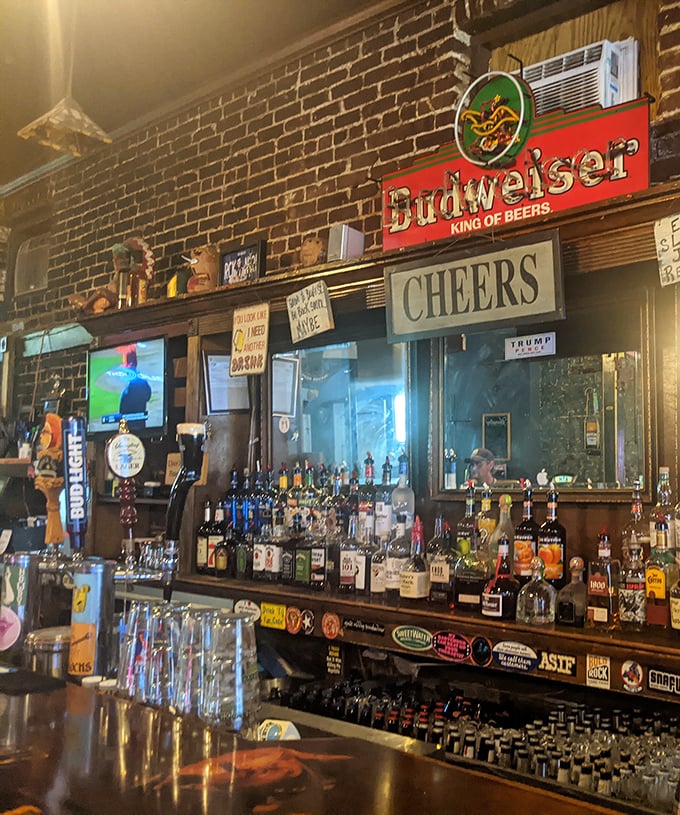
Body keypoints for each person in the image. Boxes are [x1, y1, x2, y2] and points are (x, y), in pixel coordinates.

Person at [119, 348, 152, 430]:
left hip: (132, 429)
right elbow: (148, 396)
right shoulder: (143, 383)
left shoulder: (129, 390)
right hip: (139, 426)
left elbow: (122, 412)